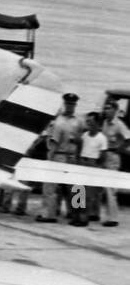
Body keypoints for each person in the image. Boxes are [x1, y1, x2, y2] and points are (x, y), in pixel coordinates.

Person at [38, 93, 83, 223]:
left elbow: (80, 140)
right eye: (68, 104)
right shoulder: (59, 122)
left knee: (75, 187)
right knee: (51, 187)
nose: (70, 106)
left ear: (75, 105)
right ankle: (49, 214)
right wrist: (51, 159)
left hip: (70, 157)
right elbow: (54, 144)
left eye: (73, 104)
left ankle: (77, 215)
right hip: (59, 156)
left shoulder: (78, 121)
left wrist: (78, 157)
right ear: (64, 104)